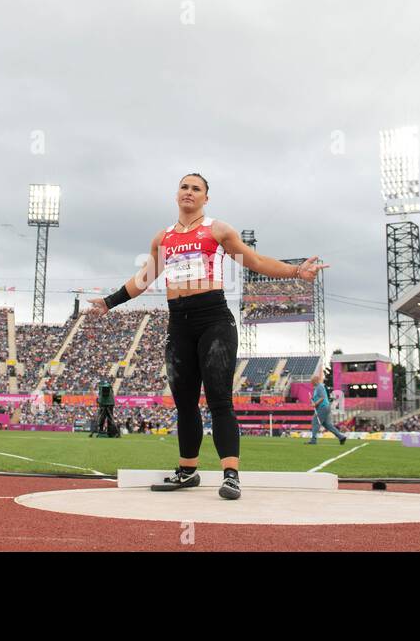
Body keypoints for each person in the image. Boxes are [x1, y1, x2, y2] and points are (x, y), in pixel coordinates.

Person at [86, 173, 328, 499]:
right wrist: (109, 302)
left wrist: (296, 271)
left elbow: (254, 261)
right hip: (179, 325)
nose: (189, 192)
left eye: (196, 188)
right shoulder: (163, 238)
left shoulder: (217, 230)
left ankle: (231, 475)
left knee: (219, 400)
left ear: (205, 198)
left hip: (214, 321)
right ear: (177, 195)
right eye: (184, 187)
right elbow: (144, 277)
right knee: (185, 404)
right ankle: (187, 472)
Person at [307, 369, 346, 445]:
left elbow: (322, 398)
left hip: (323, 407)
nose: (311, 383)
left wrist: (315, 404)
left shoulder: (319, 387)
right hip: (324, 407)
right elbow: (319, 398)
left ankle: (313, 440)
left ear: (315, 380)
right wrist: (313, 400)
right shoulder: (317, 388)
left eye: (311, 381)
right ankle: (341, 437)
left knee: (315, 422)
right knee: (328, 425)